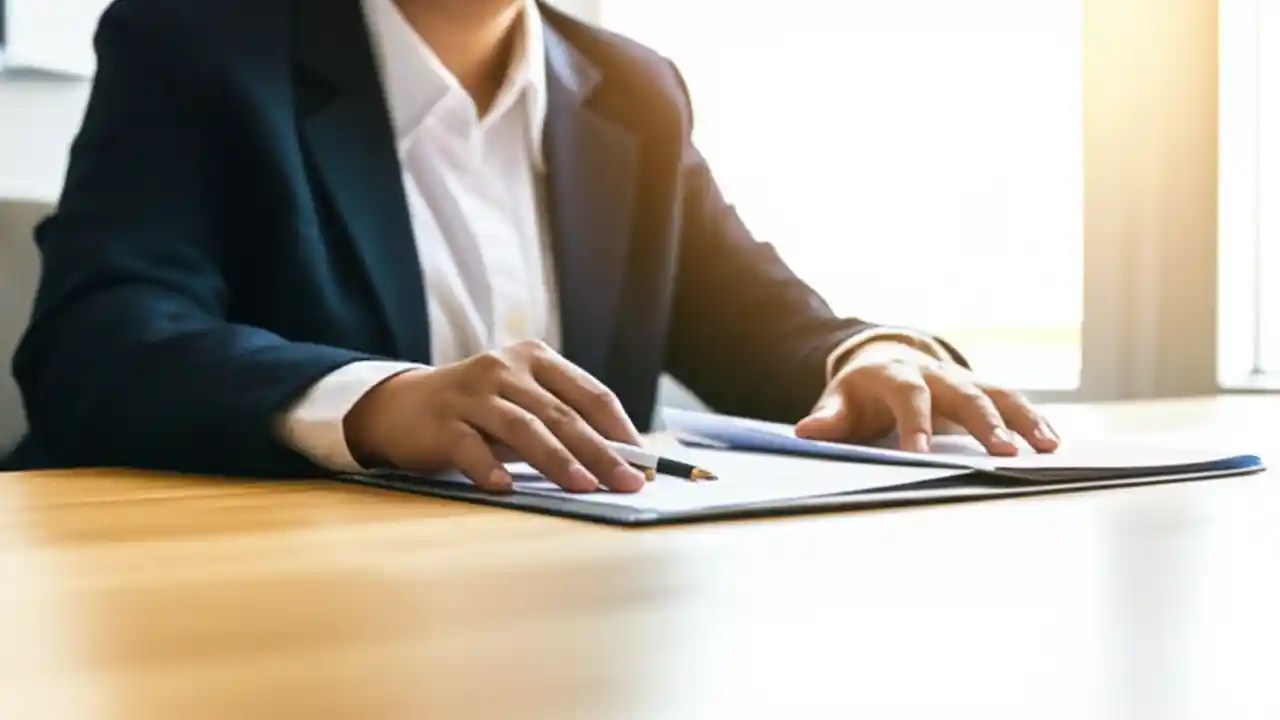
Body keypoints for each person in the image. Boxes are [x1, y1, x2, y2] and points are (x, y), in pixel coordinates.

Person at [7, 0, 1059, 493]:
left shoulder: (627, 87)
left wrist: (862, 357)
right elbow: (97, 344)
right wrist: (375, 399)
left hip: (545, 606)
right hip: (232, 605)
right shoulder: (196, 42)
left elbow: (749, 316)